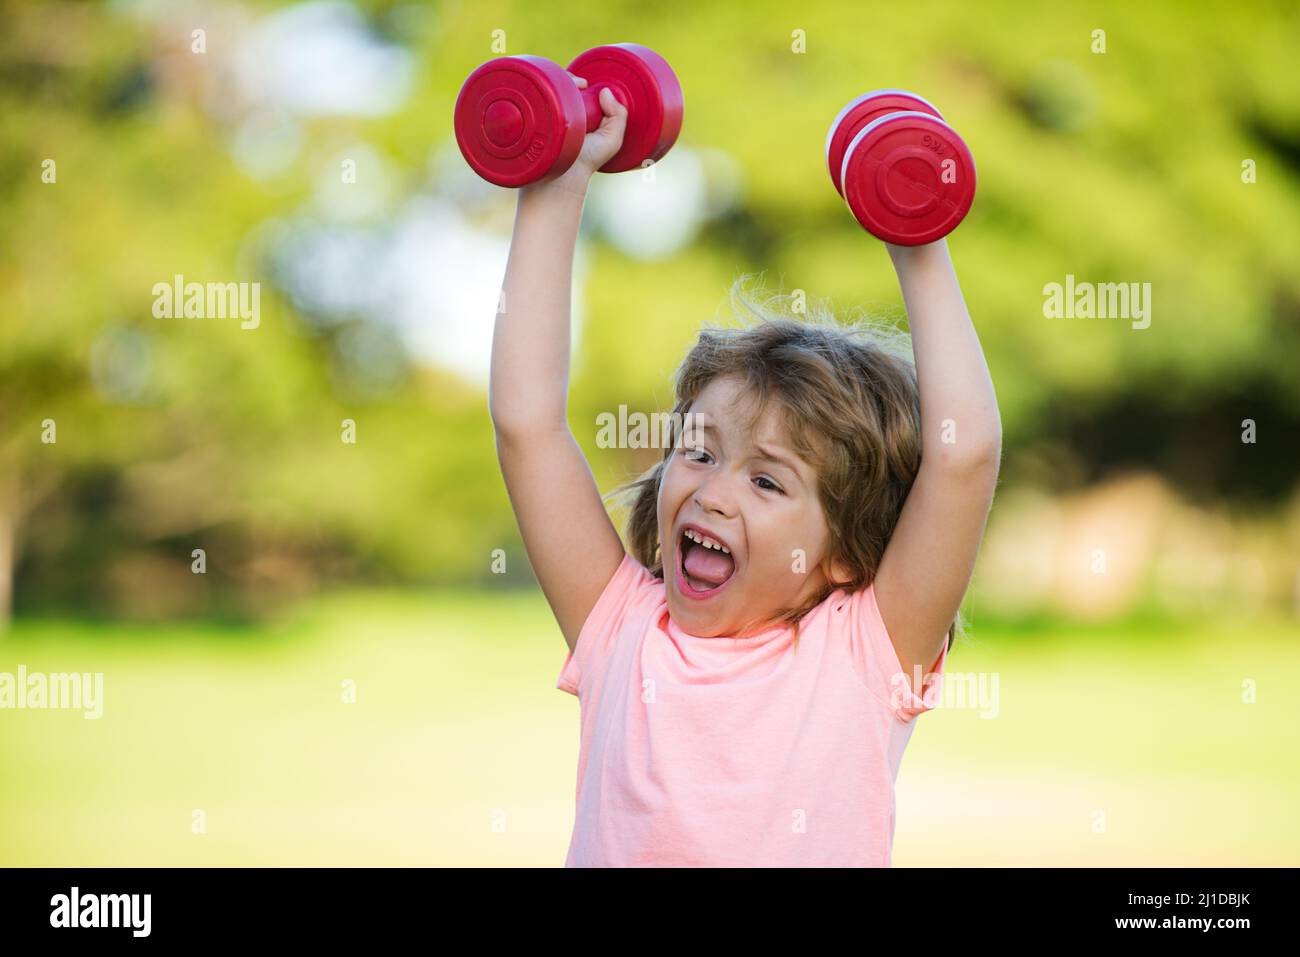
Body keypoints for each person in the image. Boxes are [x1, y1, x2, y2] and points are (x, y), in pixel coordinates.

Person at [489, 78, 1002, 866]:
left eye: (767, 481)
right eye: (699, 449)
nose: (713, 490)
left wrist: (917, 240)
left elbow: (962, 457)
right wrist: (556, 186)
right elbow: (528, 423)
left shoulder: (865, 653)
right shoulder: (622, 626)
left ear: (842, 551)